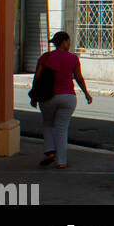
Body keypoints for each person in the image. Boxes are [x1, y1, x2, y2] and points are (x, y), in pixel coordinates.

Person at [33, 32, 92, 169]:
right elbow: (79, 77)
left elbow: (37, 78)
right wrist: (86, 93)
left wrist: (35, 96)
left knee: (48, 124)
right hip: (68, 97)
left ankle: (50, 152)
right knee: (62, 128)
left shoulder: (45, 57)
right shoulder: (73, 58)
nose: (69, 44)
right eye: (68, 41)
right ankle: (62, 161)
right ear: (64, 42)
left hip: (48, 97)